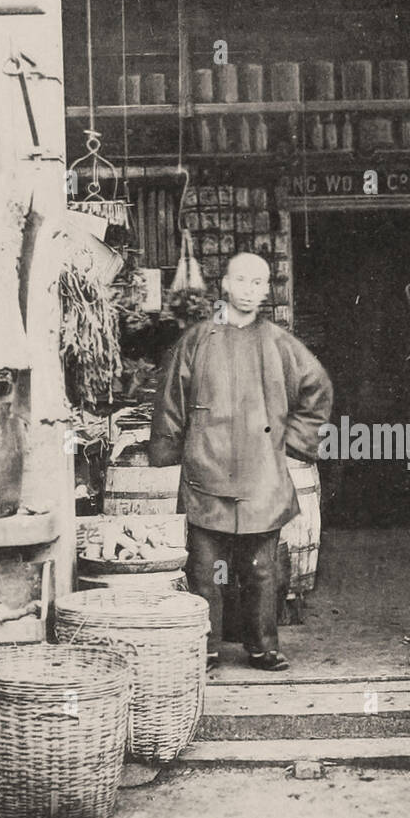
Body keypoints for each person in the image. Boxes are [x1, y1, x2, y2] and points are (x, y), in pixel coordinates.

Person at [150, 252, 333, 672]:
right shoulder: (196, 340)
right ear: (225, 285)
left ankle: (263, 646)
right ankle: (207, 646)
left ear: (267, 290)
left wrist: (296, 442)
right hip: (206, 474)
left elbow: (316, 388)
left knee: (262, 570)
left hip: (261, 477)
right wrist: (168, 449)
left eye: (259, 283)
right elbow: (171, 400)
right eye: (242, 281)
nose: (250, 290)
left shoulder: (280, 343)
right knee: (207, 570)